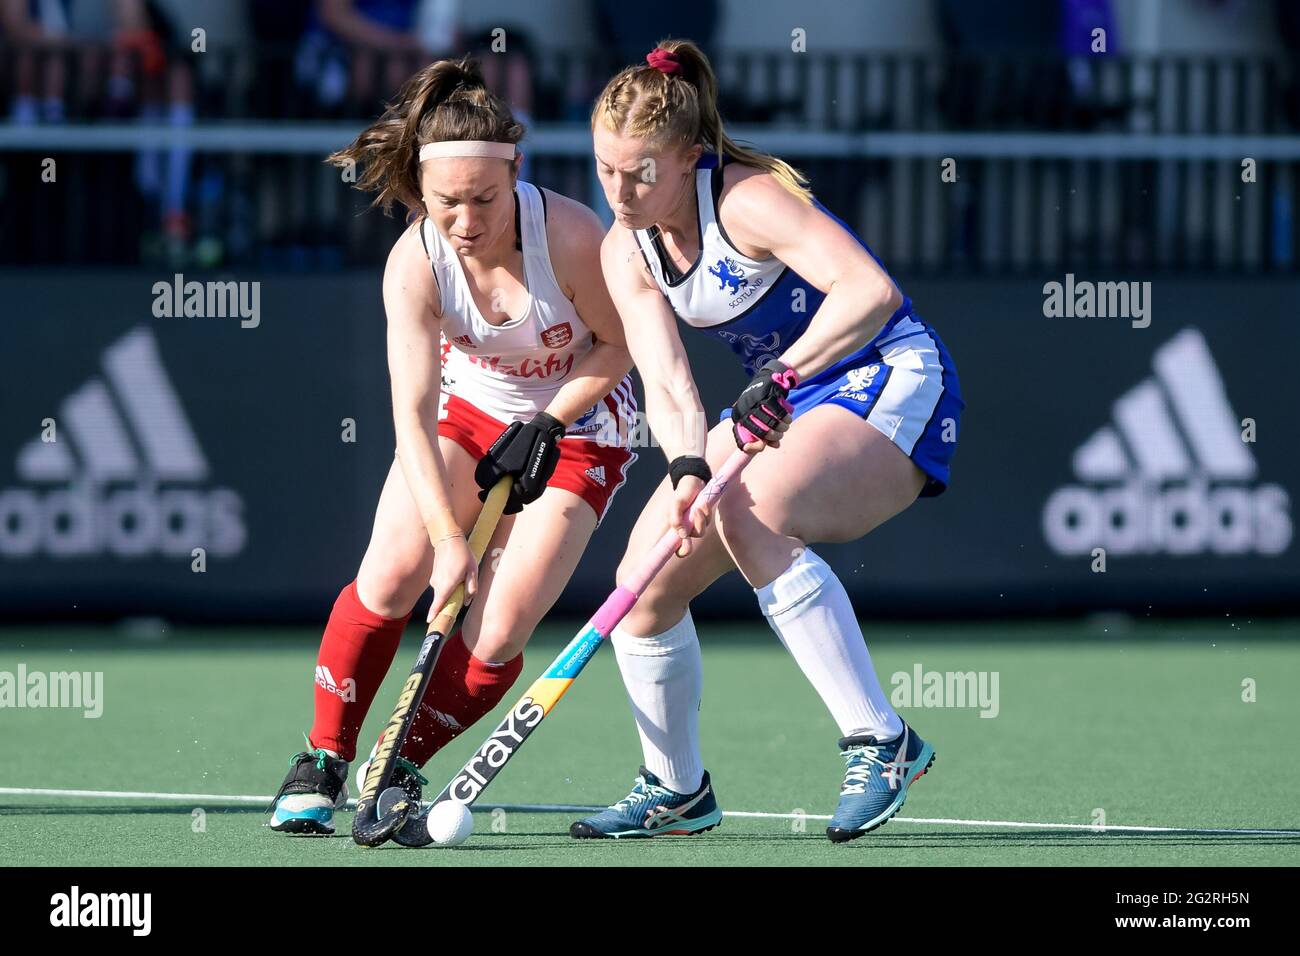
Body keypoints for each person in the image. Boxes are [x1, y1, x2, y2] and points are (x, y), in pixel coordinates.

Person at [575, 39, 963, 842]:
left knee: (752, 511)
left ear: (689, 157)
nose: (620, 190)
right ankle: (677, 789)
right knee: (643, 584)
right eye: (606, 169)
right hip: (784, 397)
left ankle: (880, 740)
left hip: (888, 374)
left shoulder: (747, 200)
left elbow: (869, 289)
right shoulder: (627, 247)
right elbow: (670, 383)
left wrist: (782, 375)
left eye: (640, 172)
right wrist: (685, 471)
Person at [268, 55, 637, 834]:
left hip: (582, 425)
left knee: (499, 628)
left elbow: (616, 345)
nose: (466, 222)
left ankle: (397, 762)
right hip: (467, 412)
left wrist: (548, 422)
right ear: (420, 194)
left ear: (516, 176)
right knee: (393, 572)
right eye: (446, 204)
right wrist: (447, 540)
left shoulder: (570, 235)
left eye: (484, 200)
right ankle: (325, 756)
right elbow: (411, 408)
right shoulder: (415, 264)